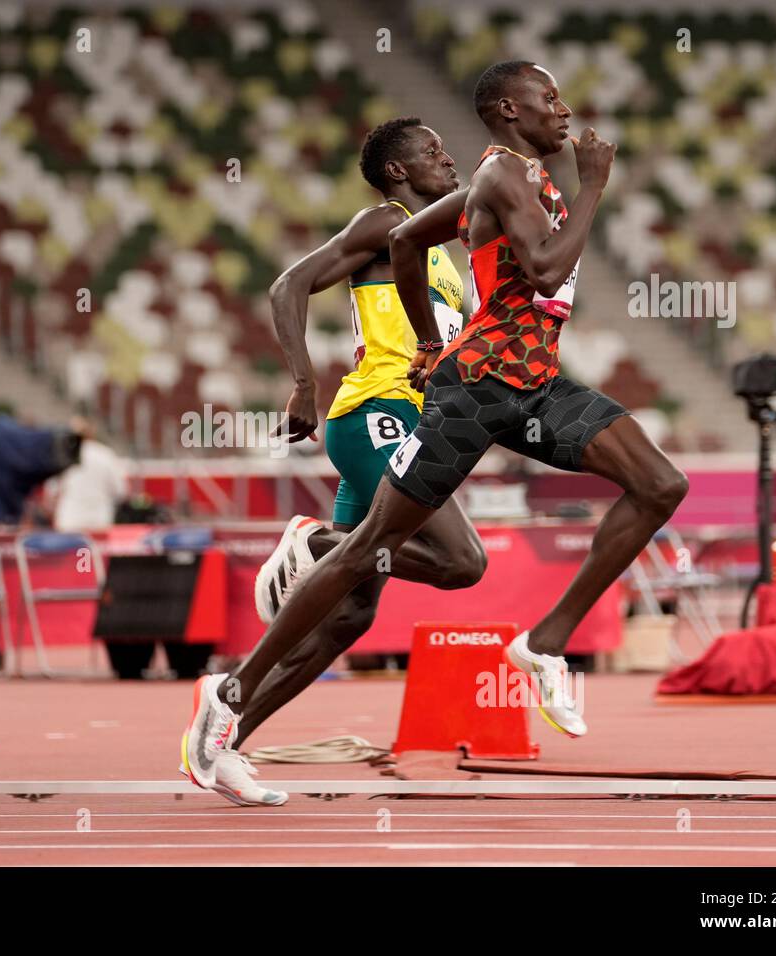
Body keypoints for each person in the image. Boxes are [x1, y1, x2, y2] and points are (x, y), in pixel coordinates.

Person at [183, 62, 689, 792]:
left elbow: (411, 251)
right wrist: (596, 187)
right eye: (551, 100)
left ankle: (541, 646)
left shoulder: (476, 200)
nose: (567, 111)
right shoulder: (490, 182)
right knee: (377, 555)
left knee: (658, 483)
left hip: (525, 384)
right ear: (511, 110)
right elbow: (543, 271)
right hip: (441, 398)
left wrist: (429, 341)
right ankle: (234, 684)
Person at [182, 118, 488, 805]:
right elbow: (288, 284)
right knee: (462, 564)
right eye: (431, 151)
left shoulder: (438, 248)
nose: (448, 158)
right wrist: (301, 383)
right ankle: (313, 541)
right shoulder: (388, 222)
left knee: (347, 618)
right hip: (374, 418)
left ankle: (221, 732)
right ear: (400, 173)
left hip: (412, 420)